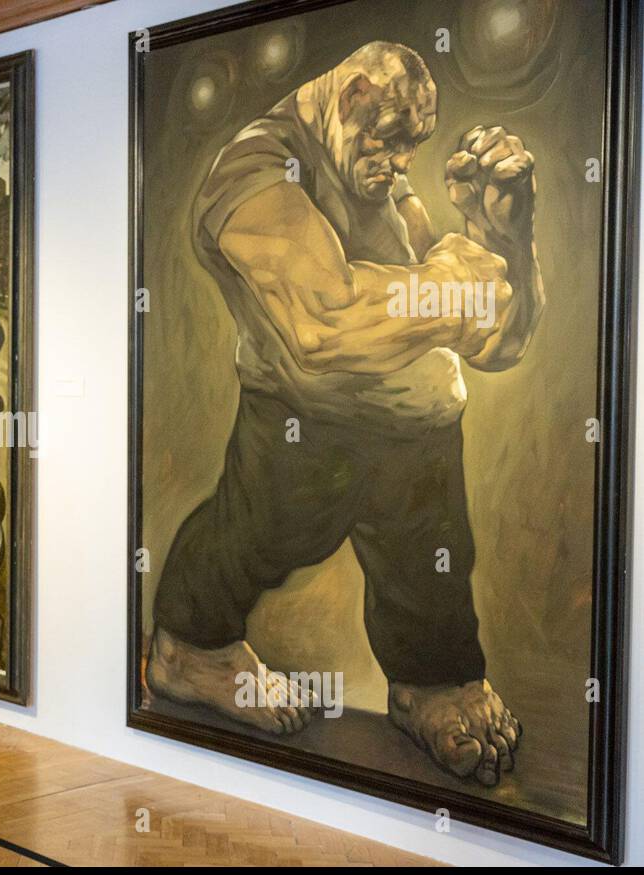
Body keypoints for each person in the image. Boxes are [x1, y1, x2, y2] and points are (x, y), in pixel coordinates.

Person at [146, 42, 541, 787]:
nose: (398, 161)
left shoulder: (389, 189)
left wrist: (504, 237)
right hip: (304, 422)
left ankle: (431, 679)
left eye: (411, 145)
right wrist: (445, 292)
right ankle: (190, 649)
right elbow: (321, 322)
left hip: (420, 433)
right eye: (389, 137)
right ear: (353, 93)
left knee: (428, 569)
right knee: (257, 534)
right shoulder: (254, 170)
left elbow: (501, 342)